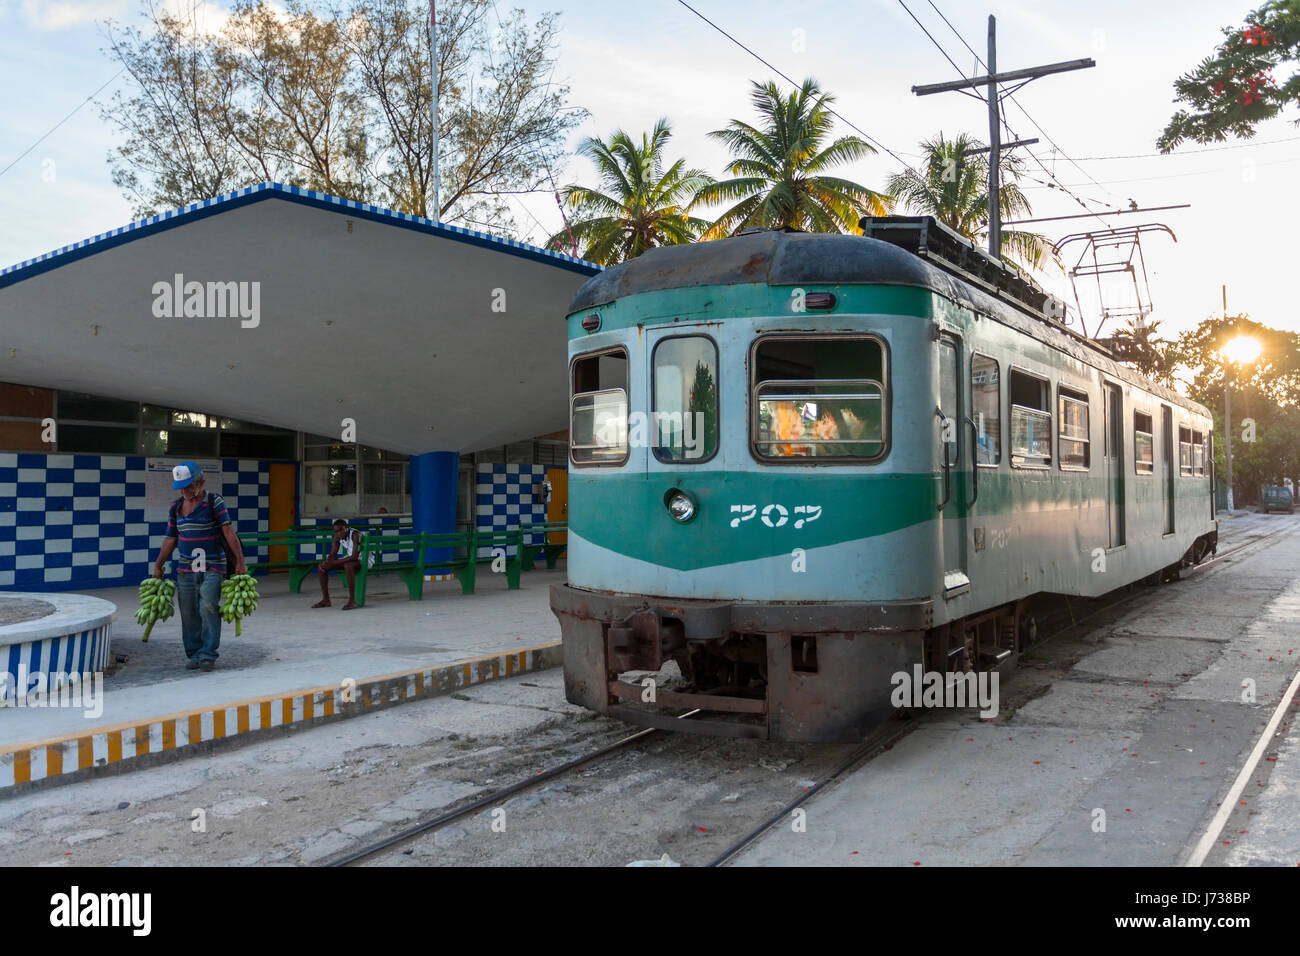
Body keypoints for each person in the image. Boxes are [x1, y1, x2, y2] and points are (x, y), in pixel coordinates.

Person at [152, 462, 246, 672]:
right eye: (182, 488)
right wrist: (158, 565)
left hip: (213, 566)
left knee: (208, 606)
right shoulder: (175, 507)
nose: (185, 491)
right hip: (185, 569)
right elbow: (170, 538)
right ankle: (194, 653)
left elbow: (228, 532)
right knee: (188, 611)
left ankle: (208, 654)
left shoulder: (214, 502)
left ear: (201, 482)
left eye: (189, 486)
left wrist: (240, 561)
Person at [314, 518, 363, 610]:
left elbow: (354, 557)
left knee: (348, 565)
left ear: (346, 528)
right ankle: (326, 600)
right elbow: (333, 554)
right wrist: (327, 562)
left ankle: (352, 601)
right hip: (350, 558)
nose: (339, 533)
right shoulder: (337, 536)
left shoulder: (355, 534)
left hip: (364, 559)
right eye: (336, 531)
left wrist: (335, 562)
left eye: (341, 530)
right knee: (321, 567)